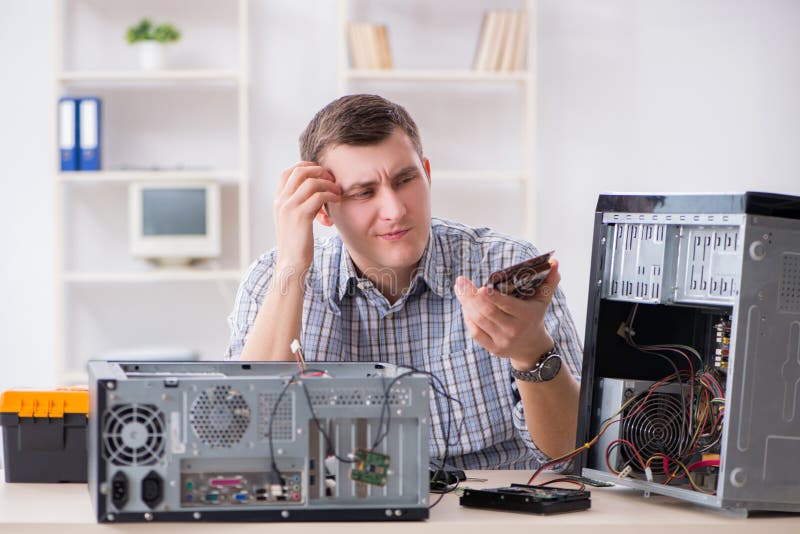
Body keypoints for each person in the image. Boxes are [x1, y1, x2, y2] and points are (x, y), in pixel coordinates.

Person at [226, 94, 582, 470]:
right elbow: (246, 447)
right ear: (324, 211)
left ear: (426, 173)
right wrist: (292, 263)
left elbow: (573, 453)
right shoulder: (271, 280)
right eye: (364, 192)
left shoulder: (504, 263)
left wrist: (531, 354)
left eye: (406, 179)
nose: (395, 210)